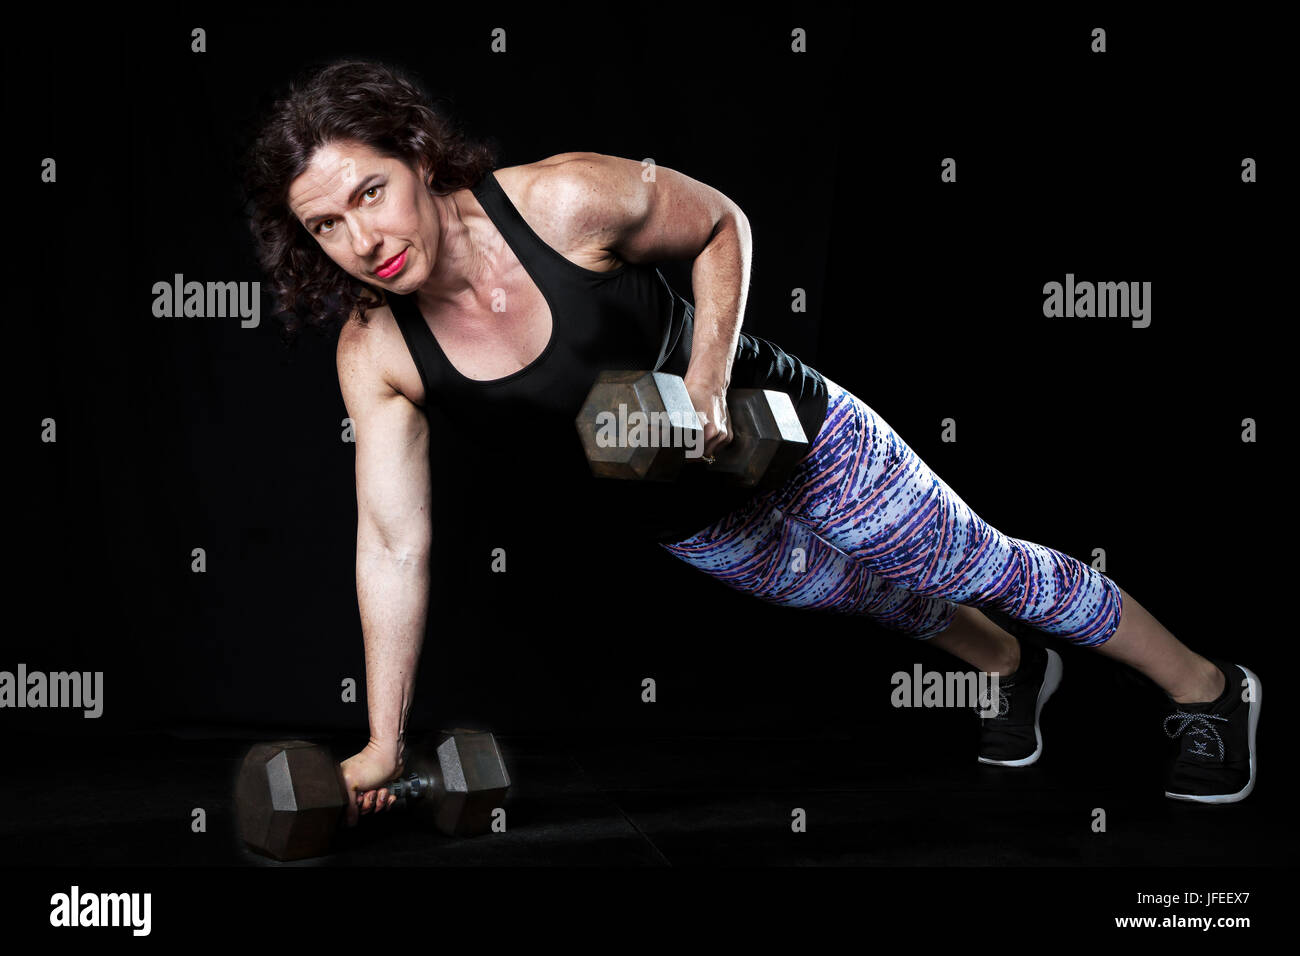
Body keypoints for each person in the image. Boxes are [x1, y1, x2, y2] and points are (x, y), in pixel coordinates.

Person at [243, 59, 1260, 826]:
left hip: (792, 431)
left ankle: (1208, 689)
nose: (362, 240)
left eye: (368, 192)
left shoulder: (560, 199)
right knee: (873, 595)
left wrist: (705, 373)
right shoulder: (377, 350)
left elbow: (719, 222)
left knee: (975, 560)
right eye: (326, 225)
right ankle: (1010, 668)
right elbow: (391, 542)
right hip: (687, 513)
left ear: (417, 156)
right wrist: (382, 740)